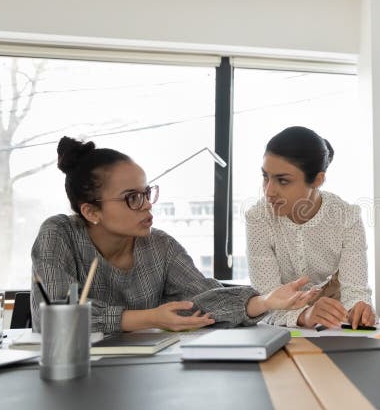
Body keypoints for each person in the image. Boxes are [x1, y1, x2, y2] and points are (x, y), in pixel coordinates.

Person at [31, 137, 313, 334]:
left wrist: (264, 302)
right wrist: (147, 318)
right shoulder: (59, 234)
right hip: (70, 375)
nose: (147, 204)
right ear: (92, 212)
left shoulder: (159, 245)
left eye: (146, 192)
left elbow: (203, 299)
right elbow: (55, 318)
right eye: (132, 198)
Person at [245, 126, 375, 329]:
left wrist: (359, 308)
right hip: (283, 333)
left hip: (331, 328)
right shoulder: (258, 218)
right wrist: (304, 315)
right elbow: (265, 302)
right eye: (265, 177)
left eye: (283, 181)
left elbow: (355, 292)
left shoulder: (347, 217)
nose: (269, 191)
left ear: (317, 180)